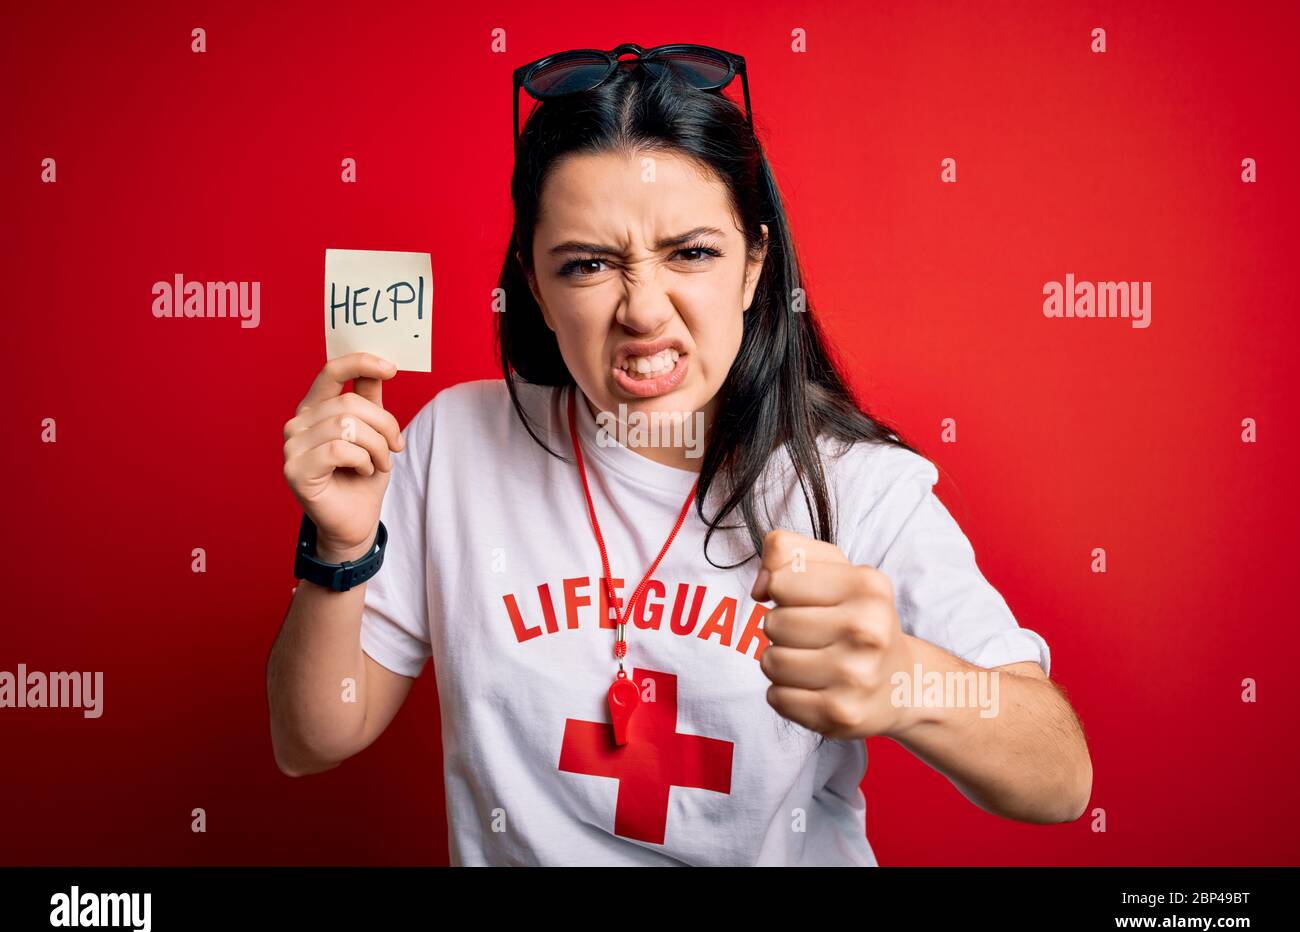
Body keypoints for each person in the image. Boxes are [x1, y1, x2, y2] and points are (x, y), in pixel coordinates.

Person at [266, 42, 1091, 866]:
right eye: (588, 265)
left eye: (692, 253)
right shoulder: (454, 442)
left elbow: (1060, 780)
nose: (644, 310)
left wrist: (904, 679)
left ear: (753, 268)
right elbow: (312, 741)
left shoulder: (856, 485)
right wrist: (339, 550)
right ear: (537, 288)